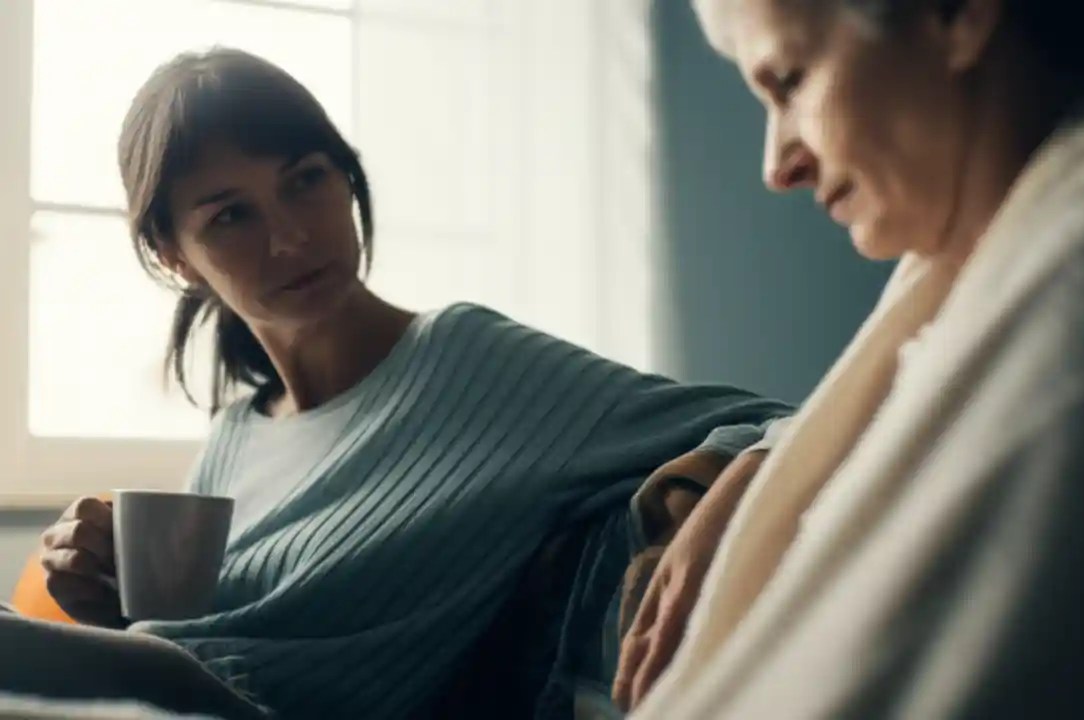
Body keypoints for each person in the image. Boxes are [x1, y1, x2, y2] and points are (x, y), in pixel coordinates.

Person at [13, 48, 793, 719]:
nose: (291, 236)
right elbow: (216, 626)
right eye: (230, 217)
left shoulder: (472, 361)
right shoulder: (237, 435)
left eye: (306, 180)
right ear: (174, 257)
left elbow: (786, 421)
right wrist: (105, 607)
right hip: (152, 690)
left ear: (347, 181)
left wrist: (722, 501)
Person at [621, 0, 1084, 717]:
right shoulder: (967, 262)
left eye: (790, 80)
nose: (778, 165)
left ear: (958, 13)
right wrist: (757, 467)